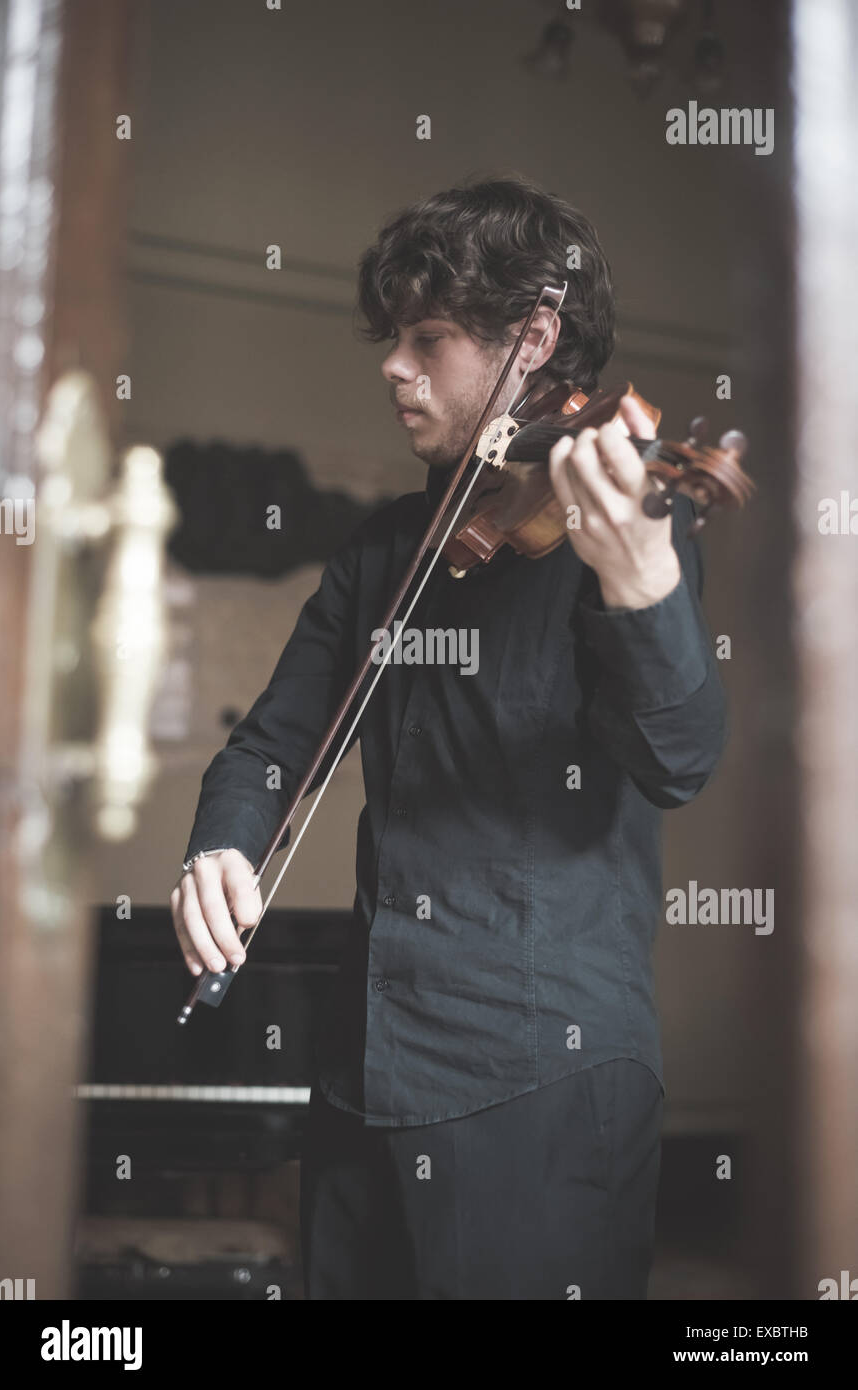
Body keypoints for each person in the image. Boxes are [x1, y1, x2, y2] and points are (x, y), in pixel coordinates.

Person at [170, 176, 727, 1300]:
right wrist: (222, 846)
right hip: (365, 1070)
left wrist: (644, 582)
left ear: (534, 340)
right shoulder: (388, 548)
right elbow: (275, 746)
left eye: (427, 339)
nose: (393, 366)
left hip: (539, 1079)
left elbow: (678, 757)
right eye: (393, 339)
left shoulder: (613, 529)